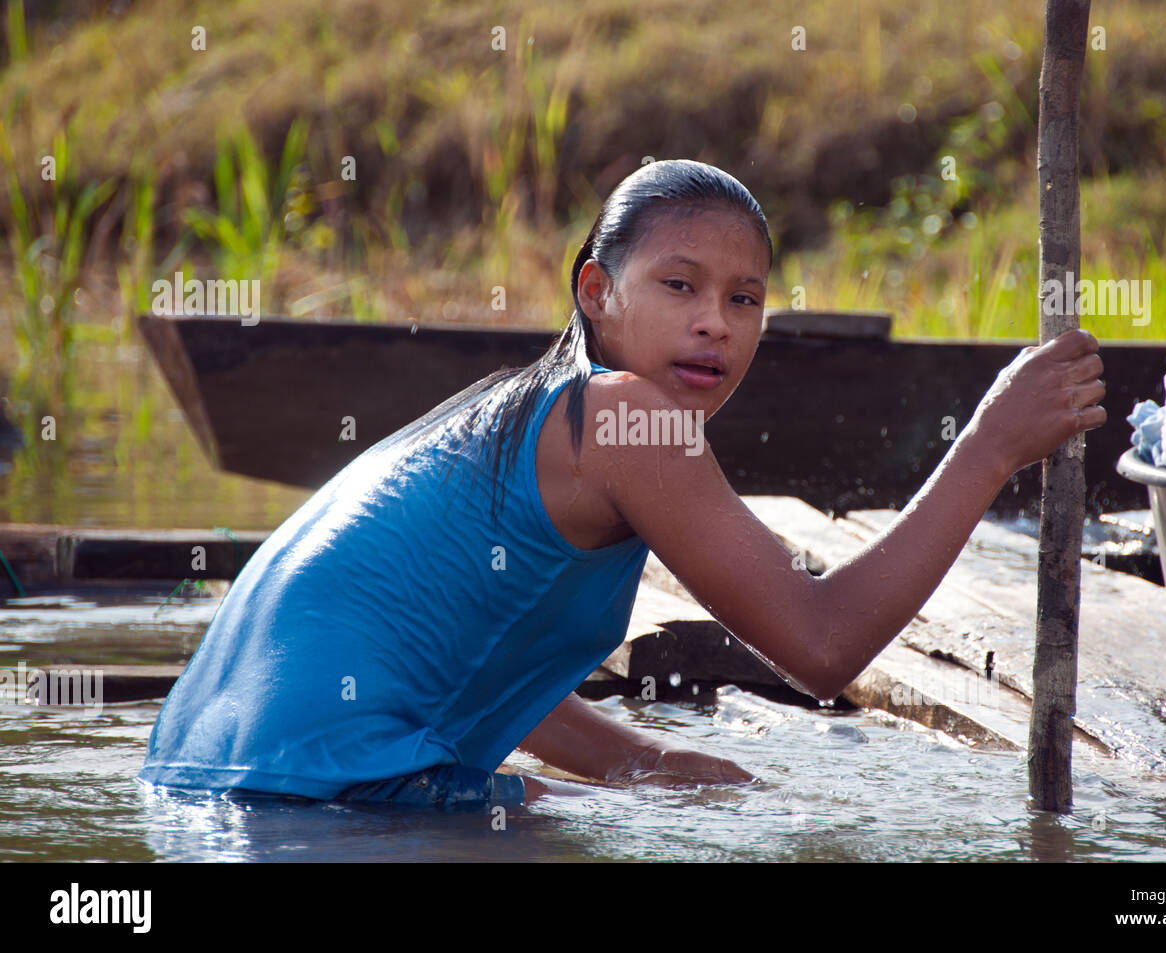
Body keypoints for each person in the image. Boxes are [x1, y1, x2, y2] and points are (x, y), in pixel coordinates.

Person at [137, 159, 1106, 812]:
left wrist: (637, 759)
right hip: (319, 796)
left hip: (196, 788)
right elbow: (820, 647)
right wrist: (987, 446)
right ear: (597, 292)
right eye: (678, 286)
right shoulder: (619, 417)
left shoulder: (515, 407)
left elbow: (465, 653)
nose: (715, 324)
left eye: (744, 298)